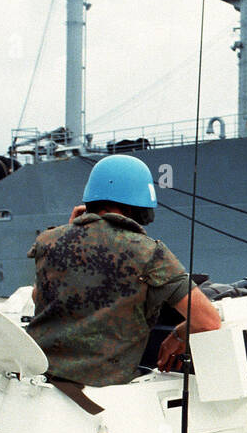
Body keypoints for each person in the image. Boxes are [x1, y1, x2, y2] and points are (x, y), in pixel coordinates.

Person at [26, 155, 221, 387]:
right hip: (103, 389)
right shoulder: (148, 251)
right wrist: (178, 335)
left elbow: (38, 297)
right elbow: (208, 321)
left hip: (38, 379)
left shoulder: (48, 240)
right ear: (136, 204)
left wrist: (69, 230)